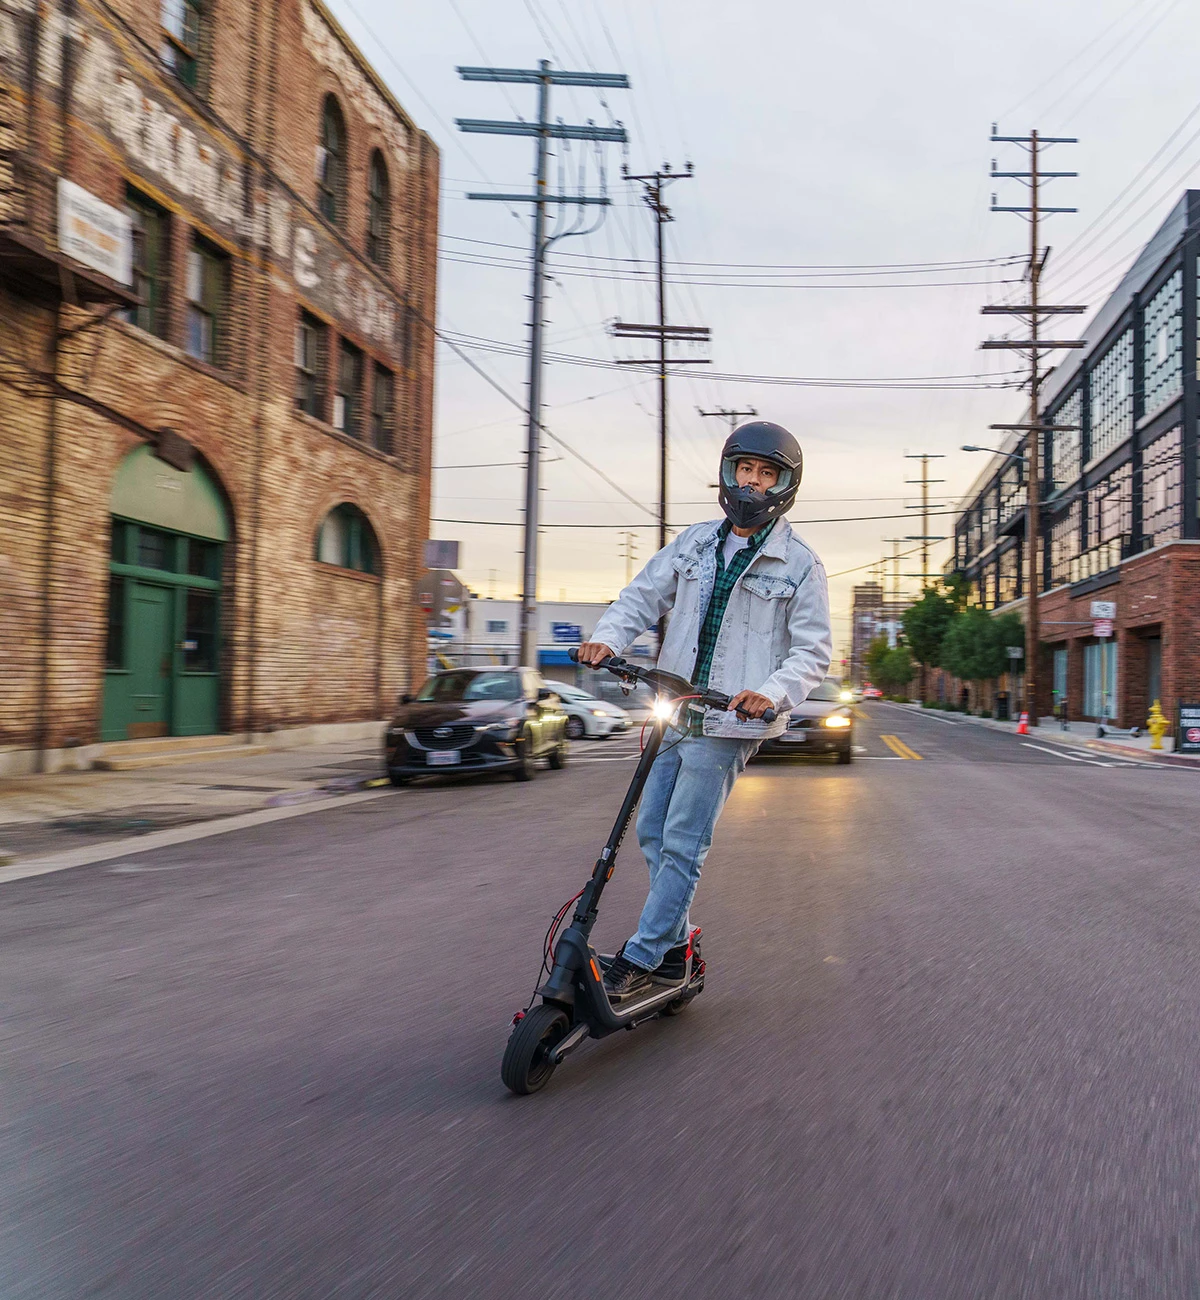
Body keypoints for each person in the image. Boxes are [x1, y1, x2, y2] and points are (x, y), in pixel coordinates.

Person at [579, 421, 832, 1001]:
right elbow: (642, 595)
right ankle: (675, 947)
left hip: (730, 719)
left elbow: (813, 649)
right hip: (675, 708)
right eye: (745, 469)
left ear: (783, 486)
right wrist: (607, 639)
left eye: (766, 474)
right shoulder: (692, 543)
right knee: (651, 829)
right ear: (727, 472)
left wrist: (770, 692)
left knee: (683, 839)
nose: (752, 482)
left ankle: (644, 955)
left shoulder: (798, 564)